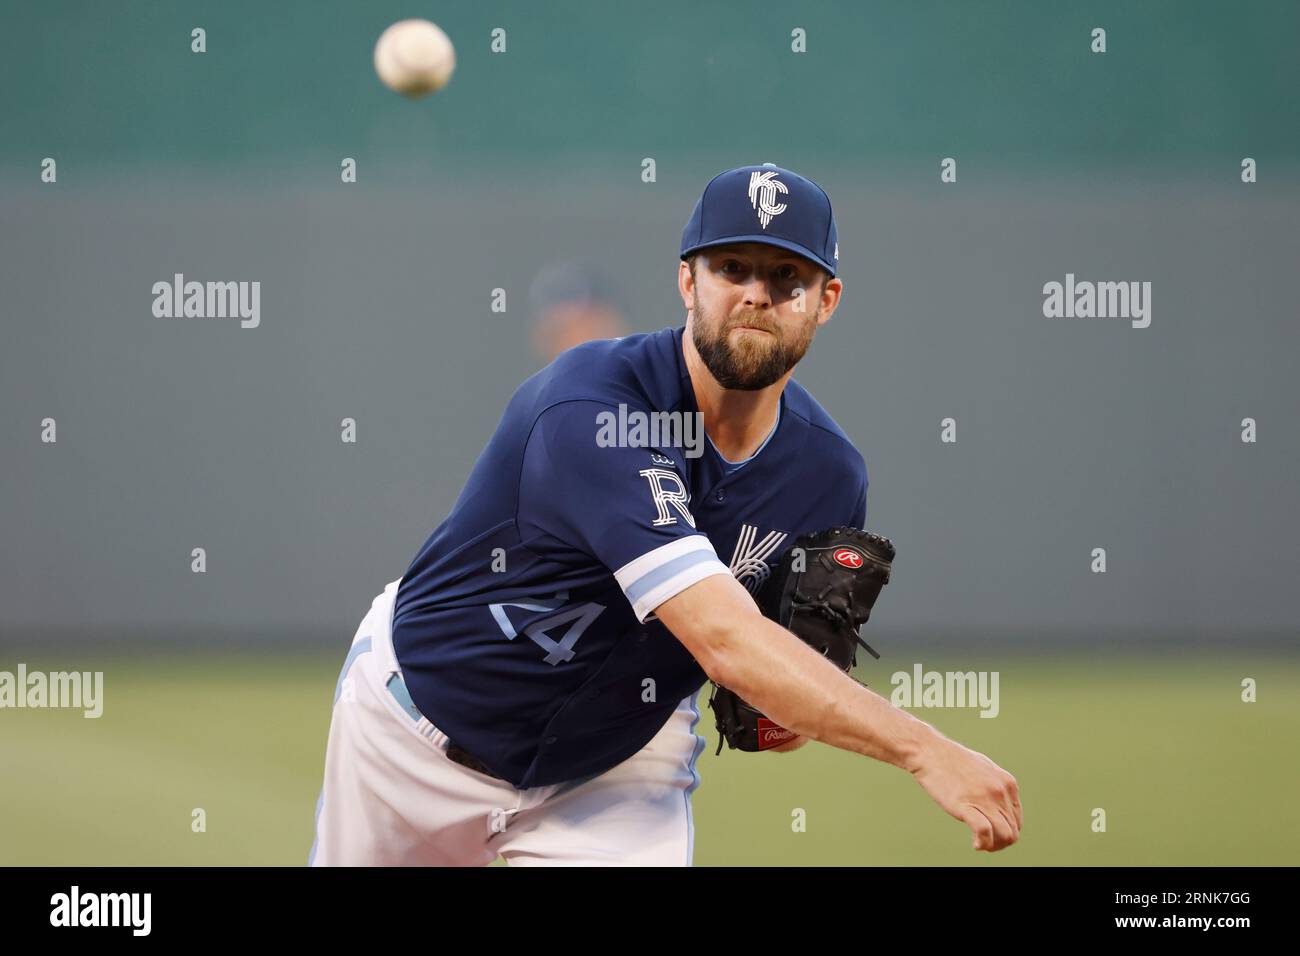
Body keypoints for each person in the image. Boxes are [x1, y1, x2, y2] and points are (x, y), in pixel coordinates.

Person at [308, 163, 1021, 866]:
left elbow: (773, 685)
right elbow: (722, 637)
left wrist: (788, 703)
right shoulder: (591, 406)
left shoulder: (827, 476)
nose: (756, 295)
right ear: (688, 281)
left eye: (786, 278)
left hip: (614, 770)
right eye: (732, 268)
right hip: (410, 737)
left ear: (826, 299)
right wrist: (924, 749)